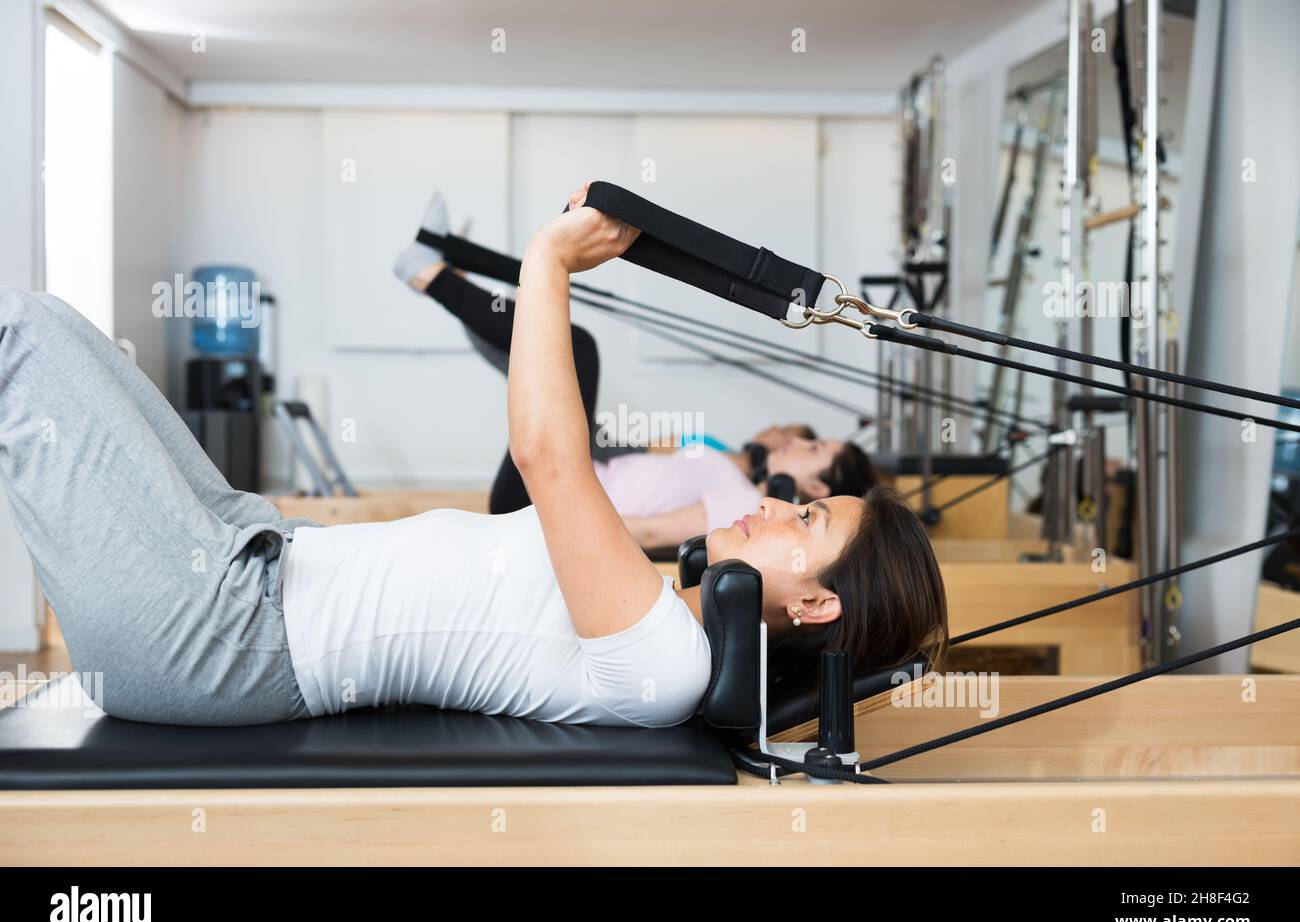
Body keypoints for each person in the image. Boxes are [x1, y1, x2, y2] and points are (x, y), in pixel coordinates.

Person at [0, 182, 946, 730]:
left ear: (817, 601)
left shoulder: (666, 661)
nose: (780, 504)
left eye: (809, 521)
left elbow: (547, 455)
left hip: (214, 634)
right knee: (61, 330)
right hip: (251, 556)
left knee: (22, 332)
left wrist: (549, 260)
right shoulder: (659, 609)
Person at [394, 193, 876, 550]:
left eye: (813, 449)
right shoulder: (743, 485)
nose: (797, 442)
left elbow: (641, 533)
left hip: (540, 508)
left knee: (573, 351)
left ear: (817, 489)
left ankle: (433, 275)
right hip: (559, 485)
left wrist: (534, 545)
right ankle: (442, 273)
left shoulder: (742, 508)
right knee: (543, 361)